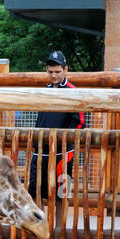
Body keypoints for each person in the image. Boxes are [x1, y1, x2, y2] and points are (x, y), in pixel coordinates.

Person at [28, 50, 86, 205]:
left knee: (61, 195)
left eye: (57, 72)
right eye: (50, 72)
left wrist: (63, 139)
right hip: (40, 150)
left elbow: (80, 121)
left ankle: (60, 229)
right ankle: (41, 227)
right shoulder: (45, 90)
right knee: (35, 193)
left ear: (65, 70)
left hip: (63, 152)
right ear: (46, 70)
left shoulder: (72, 91)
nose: (54, 75)